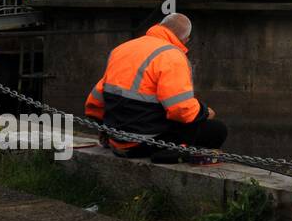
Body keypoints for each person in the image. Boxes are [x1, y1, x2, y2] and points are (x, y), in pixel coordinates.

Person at [85, 13, 226, 163]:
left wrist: (108, 131)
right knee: (217, 130)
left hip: (116, 141)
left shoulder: (122, 49)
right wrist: (204, 112)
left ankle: (173, 151)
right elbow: (181, 110)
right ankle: (172, 154)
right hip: (143, 144)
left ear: (159, 26)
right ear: (186, 40)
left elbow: (94, 103)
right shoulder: (172, 56)